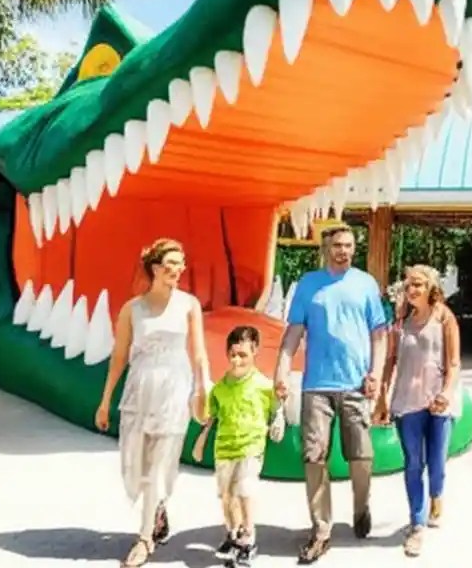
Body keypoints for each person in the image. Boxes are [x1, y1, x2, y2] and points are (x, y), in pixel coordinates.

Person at [274, 225, 389, 565]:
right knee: (314, 456)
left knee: (362, 454)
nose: (344, 251)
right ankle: (321, 528)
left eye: (349, 245)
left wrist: (377, 375)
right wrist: (281, 369)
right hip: (316, 386)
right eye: (337, 245)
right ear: (325, 248)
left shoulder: (365, 283)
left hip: (355, 384)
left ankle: (361, 505)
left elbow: (379, 334)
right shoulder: (309, 284)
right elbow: (294, 331)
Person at [95, 238, 209, 568]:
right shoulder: (132, 309)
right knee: (137, 466)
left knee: (158, 465)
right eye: (171, 263)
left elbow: (199, 352)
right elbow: (119, 357)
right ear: (156, 269)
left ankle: (144, 539)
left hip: (174, 385)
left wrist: (203, 389)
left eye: (181, 262)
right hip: (140, 386)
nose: (178, 269)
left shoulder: (189, 305)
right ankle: (156, 509)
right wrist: (105, 402)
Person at [375, 264, 463, 558]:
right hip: (407, 400)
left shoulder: (445, 318)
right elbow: (390, 361)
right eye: (409, 284)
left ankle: (436, 495)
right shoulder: (399, 323)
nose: (412, 289)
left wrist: (447, 391)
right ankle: (417, 523)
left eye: (419, 284)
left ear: (430, 288)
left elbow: (453, 363)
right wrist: (382, 399)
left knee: (436, 465)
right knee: (414, 462)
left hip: (438, 400)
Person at [191, 325, 286, 567]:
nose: (236, 360)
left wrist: (278, 419)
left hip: (251, 447)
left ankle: (248, 537)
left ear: (255, 352)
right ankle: (232, 532)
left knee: (245, 490)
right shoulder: (221, 388)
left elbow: (277, 406)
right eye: (232, 354)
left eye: (242, 354)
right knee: (226, 496)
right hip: (224, 448)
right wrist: (200, 443)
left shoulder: (264, 386)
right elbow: (210, 417)